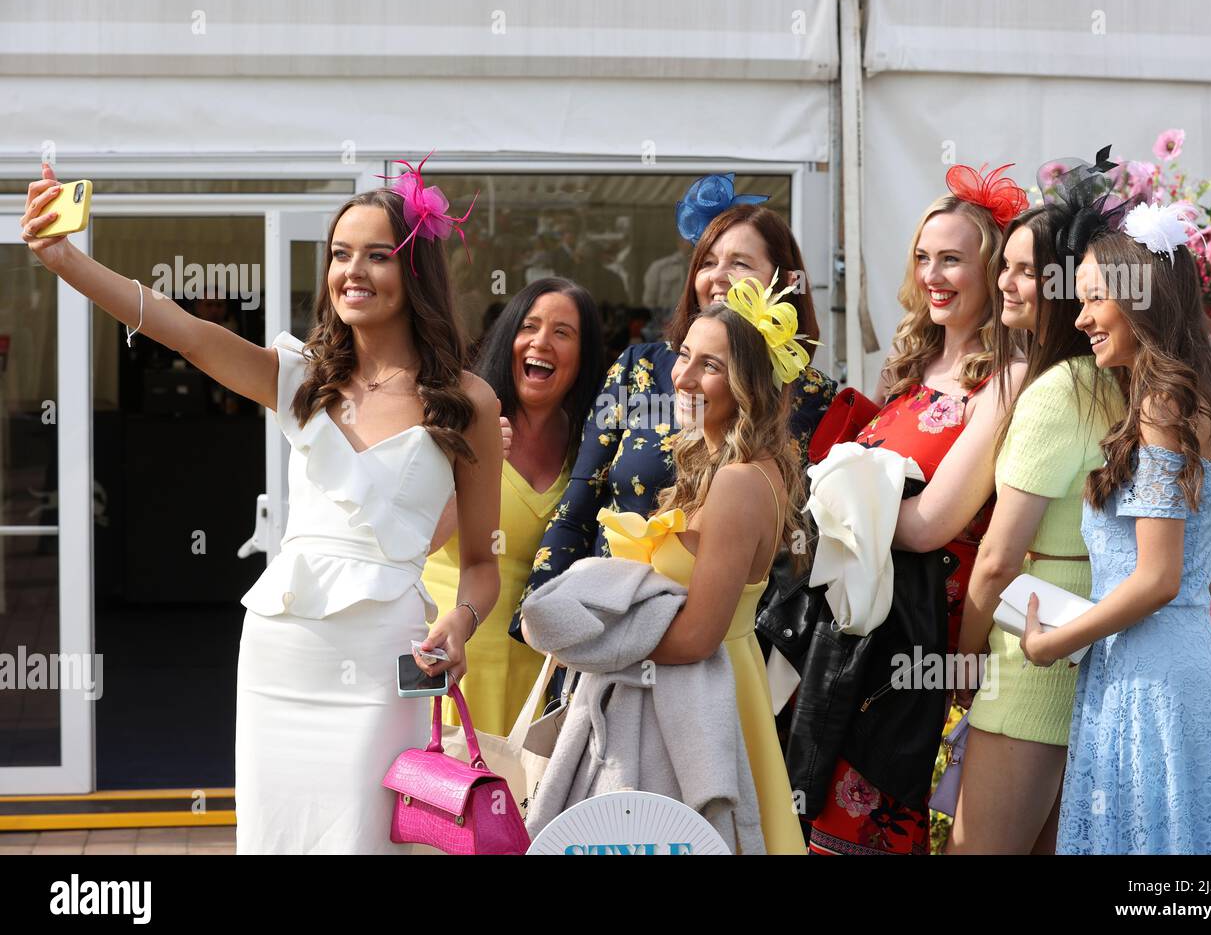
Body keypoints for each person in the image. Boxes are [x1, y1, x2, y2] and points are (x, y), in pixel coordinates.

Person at [21, 160, 503, 853]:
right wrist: (65, 259)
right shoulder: (301, 377)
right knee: (275, 837)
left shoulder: (469, 402)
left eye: (375, 255)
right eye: (339, 254)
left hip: (382, 661)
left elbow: (482, 564)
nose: (351, 271)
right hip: (281, 654)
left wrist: (459, 620)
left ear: (415, 273)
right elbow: (179, 329)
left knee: (362, 840)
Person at [529, 285, 812, 853]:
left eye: (710, 366)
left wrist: (588, 638)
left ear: (748, 384)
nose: (682, 377)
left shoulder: (736, 482)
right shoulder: (722, 466)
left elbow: (698, 636)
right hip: (697, 693)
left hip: (702, 705)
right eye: (684, 354)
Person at [1021, 210, 1211, 854]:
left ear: (1142, 297)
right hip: (1187, 674)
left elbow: (1158, 579)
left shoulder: (1161, 405)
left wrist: (1055, 643)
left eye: (1095, 298)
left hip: (1152, 686)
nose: (1079, 319)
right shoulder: (1197, 398)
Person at [806, 164, 1028, 855]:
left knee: (882, 823)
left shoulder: (1008, 377)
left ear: (993, 272)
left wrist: (830, 501)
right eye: (923, 258)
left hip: (934, 644)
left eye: (953, 259)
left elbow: (933, 521)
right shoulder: (912, 362)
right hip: (862, 633)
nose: (933, 275)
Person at [511, 176, 836, 637]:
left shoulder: (814, 398)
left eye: (739, 263)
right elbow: (579, 503)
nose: (717, 276)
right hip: (601, 630)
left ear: (782, 283)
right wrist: (541, 618)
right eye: (707, 262)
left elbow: (808, 548)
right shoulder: (638, 369)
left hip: (726, 645)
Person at [950, 152, 1127, 854]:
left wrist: (961, 668)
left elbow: (995, 562)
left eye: (1026, 270)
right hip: (1094, 648)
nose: (1005, 282)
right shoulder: (1113, 377)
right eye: (1006, 266)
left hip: (1031, 654)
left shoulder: (1057, 393)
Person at [423, 278, 605, 736]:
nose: (542, 341)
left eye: (563, 333)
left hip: (544, 675)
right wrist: (474, 462)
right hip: (454, 656)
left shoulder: (594, 446)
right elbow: (421, 539)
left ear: (583, 357)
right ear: (510, 339)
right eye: (530, 326)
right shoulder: (460, 417)